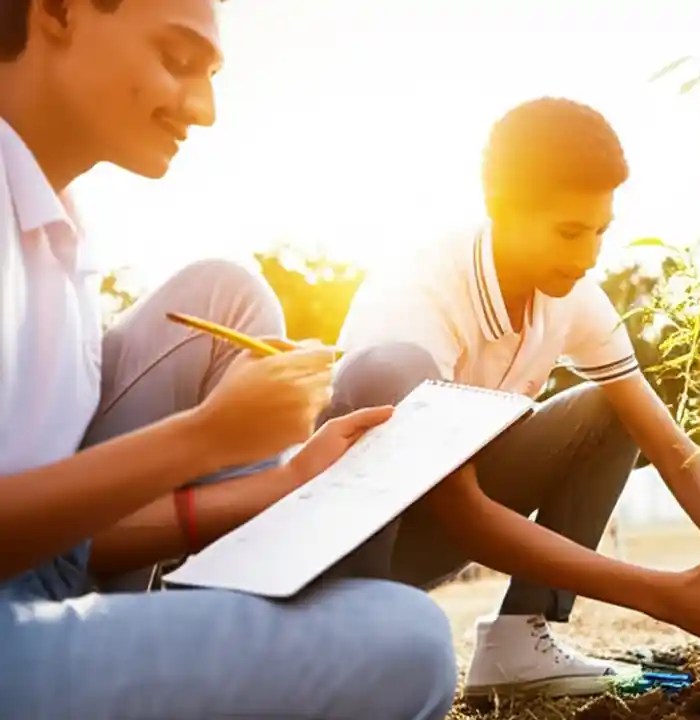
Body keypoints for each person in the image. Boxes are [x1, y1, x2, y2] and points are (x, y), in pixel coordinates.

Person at [0, 1, 457, 718]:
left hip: (35, 574)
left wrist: (285, 481)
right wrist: (206, 436)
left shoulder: (62, 226)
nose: (206, 110)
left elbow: (68, 543)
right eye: (177, 61)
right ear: (57, 10)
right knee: (412, 640)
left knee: (226, 292)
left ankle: (229, 614)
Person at [331, 96, 700, 697]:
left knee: (610, 410)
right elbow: (458, 513)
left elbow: (670, 446)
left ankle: (521, 640)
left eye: (600, 231)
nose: (589, 254)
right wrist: (666, 596)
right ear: (500, 209)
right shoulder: (417, 298)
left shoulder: (571, 294)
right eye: (569, 231)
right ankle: (344, 640)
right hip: (360, 550)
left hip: (446, 519)